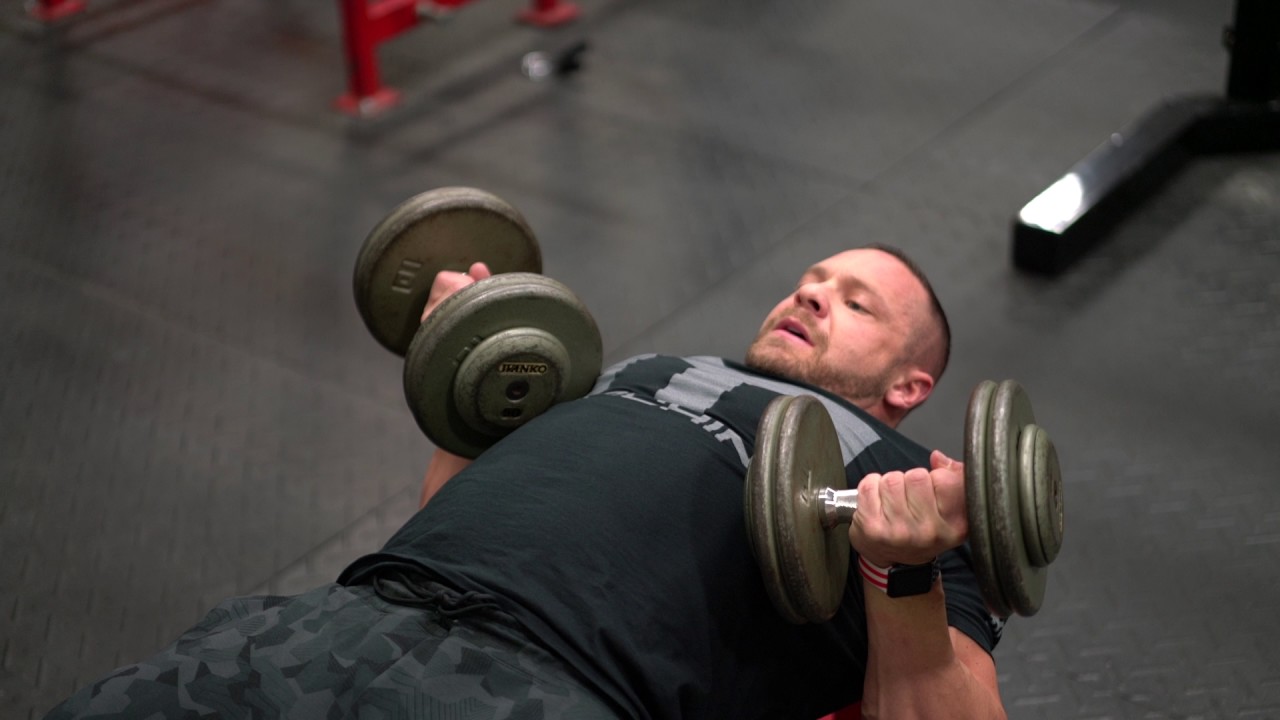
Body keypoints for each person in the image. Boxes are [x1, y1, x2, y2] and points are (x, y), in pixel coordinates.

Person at [46, 245, 1007, 720]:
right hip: (343, 616)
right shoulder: (648, 370)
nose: (810, 294)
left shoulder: (909, 487)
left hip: (552, 688)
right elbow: (447, 511)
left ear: (908, 385)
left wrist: (901, 574)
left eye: (854, 303)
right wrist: (458, 361)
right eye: (812, 278)